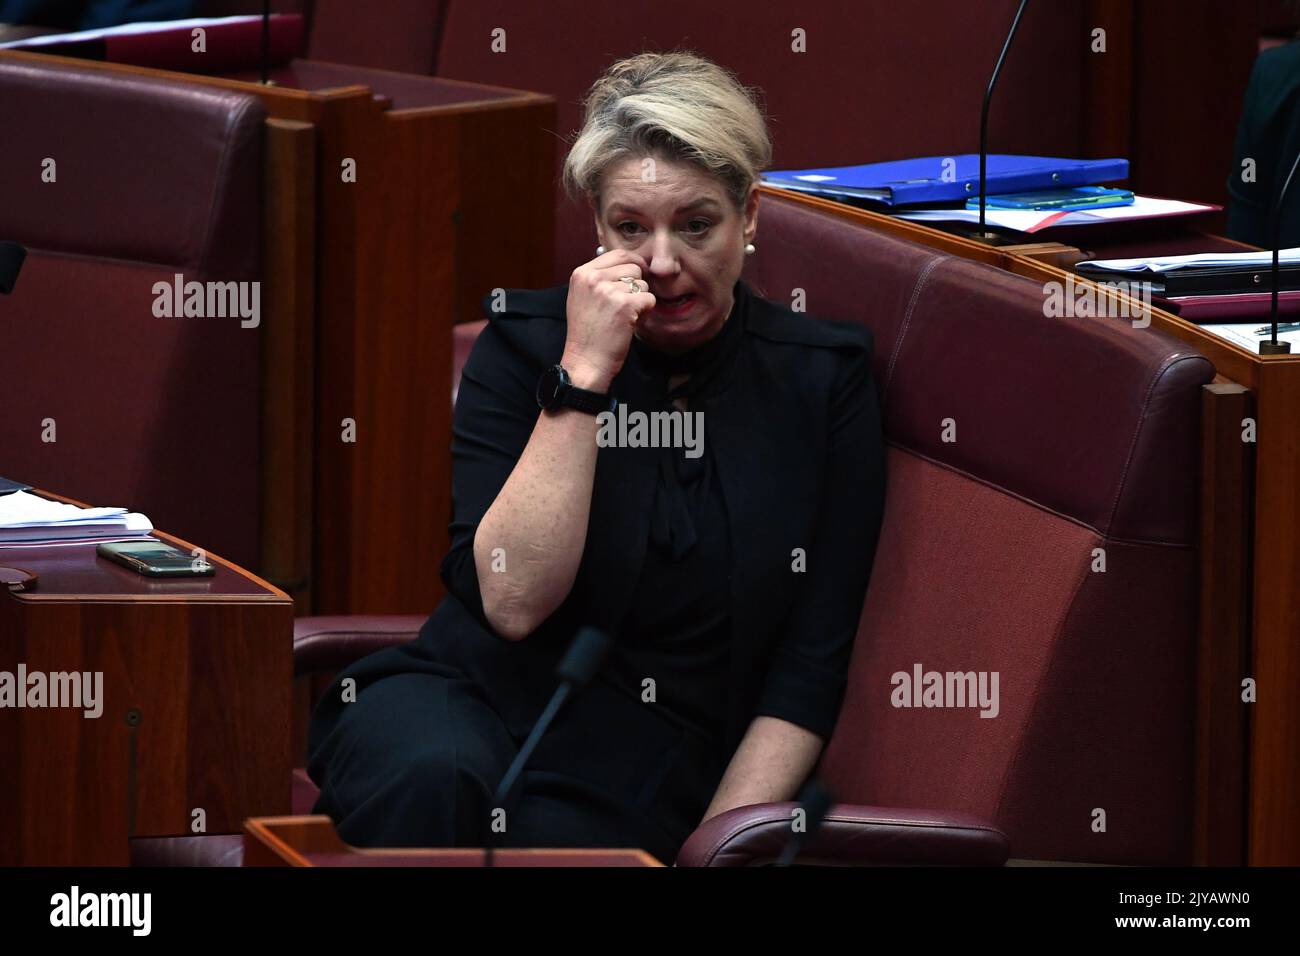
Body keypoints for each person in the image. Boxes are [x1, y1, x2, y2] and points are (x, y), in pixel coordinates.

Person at [306, 49, 886, 866]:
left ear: (750, 216)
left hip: (653, 763)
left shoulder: (823, 383)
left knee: (557, 849)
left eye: (695, 224)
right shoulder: (523, 347)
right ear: (595, 226)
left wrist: (721, 845)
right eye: (630, 227)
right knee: (428, 780)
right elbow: (510, 602)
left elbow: (809, 667)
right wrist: (582, 378)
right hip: (463, 700)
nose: (659, 263)